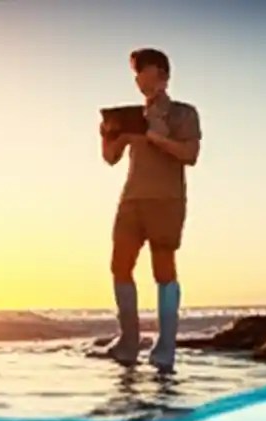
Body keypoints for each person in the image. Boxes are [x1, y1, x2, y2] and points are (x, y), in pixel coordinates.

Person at [96, 48, 201, 372]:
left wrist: (158, 137)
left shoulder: (184, 113)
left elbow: (190, 154)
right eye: (137, 74)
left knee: (163, 267)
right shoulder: (133, 116)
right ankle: (129, 341)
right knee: (120, 265)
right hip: (132, 199)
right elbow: (111, 157)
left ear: (163, 74)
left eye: (146, 71)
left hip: (166, 200)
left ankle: (165, 346)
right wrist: (107, 136)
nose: (141, 79)